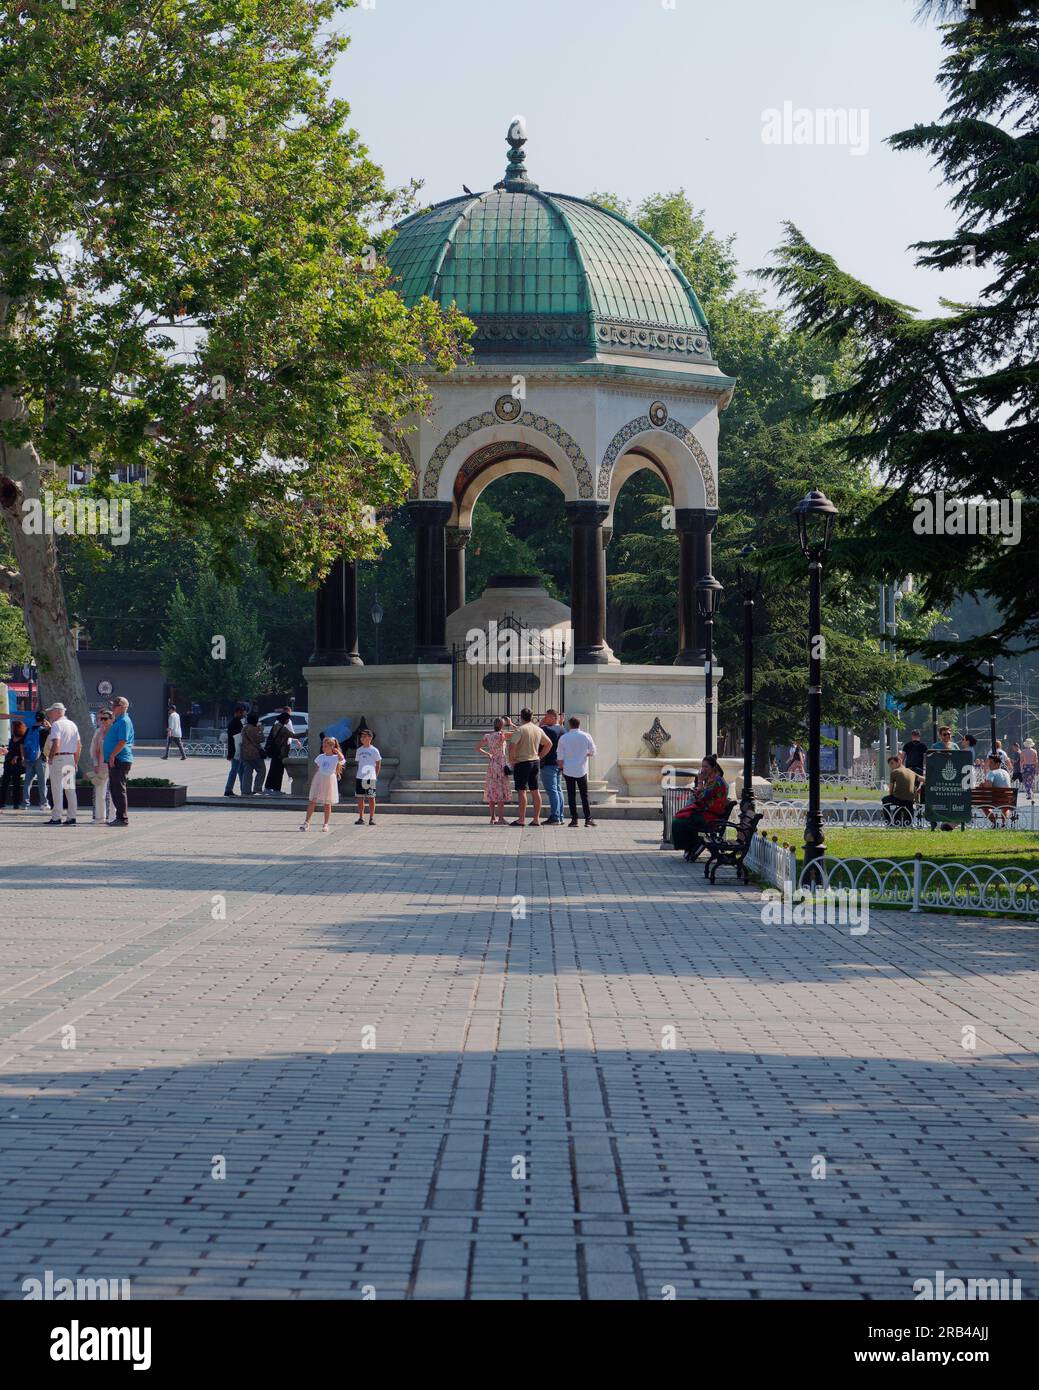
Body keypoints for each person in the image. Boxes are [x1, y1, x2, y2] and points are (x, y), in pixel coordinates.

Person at [670, 755, 728, 858]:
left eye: (706, 767)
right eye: (702, 766)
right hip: (706, 813)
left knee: (678, 822)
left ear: (713, 767)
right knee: (679, 819)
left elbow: (701, 797)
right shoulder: (711, 780)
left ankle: (693, 846)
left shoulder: (716, 781)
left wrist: (700, 781)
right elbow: (701, 796)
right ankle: (692, 846)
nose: (703, 769)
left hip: (710, 816)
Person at [506, 707, 552, 827]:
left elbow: (512, 746)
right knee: (535, 790)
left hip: (522, 762)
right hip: (535, 762)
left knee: (522, 791)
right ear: (532, 716)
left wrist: (511, 760)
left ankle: (521, 819)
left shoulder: (520, 730)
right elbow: (549, 744)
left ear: (521, 716)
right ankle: (536, 819)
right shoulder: (538, 729)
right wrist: (540, 756)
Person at [44, 702, 81, 826]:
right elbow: (78, 746)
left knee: (57, 788)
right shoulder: (72, 724)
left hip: (58, 758)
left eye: (51, 712)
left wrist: (50, 757)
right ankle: (72, 817)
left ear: (57, 711)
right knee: (70, 789)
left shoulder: (57, 724)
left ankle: (56, 817)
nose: (50, 714)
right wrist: (75, 761)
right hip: (69, 758)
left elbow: (57, 743)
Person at [557, 716, 598, 828]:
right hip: (581, 769)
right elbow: (593, 751)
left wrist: (561, 768)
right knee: (584, 795)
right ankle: (588, 819)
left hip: (568, 769)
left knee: (571, 796)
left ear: (569, 725)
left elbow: (559, 757)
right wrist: (585, 754)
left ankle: (574, 820)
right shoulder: (586, 736)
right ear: (579, 724)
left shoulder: (564, 738)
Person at [300, 736, 345, 833]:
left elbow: (342, 759)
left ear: (332, 747)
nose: (323, 748)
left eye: (326, 746)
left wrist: (337, 751)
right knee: (313, 800)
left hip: (329, 779)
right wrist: (313, 781)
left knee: (327, 803)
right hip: (319, 778)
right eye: (323, 746)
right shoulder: (321, 757)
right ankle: (306, 822)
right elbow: (317, 769)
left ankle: (326, 824)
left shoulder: (335, 757)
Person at [103, 695, 134, 827]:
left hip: (120, 759)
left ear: (123, 707)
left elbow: (122, 741)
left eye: (115, 705)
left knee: (118, 789)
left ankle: (122, 818)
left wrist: (112, 755)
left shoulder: (124, 721)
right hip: (116, 759)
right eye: (113, 705)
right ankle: (119, 817)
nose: (113, 707)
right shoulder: (118, 721)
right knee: (114, 789)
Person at [476, 717, 512, 826]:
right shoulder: (502, 735)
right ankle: (501, 818)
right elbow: (519, 732)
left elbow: (477, 748)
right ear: (502, 725)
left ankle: (492, 818)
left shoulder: (488, 736)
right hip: (501, 765)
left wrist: (488, 754)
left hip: (492, 765)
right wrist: (511, 724)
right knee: (500, 791)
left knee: (491, 790)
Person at [538, 708, 566, 825]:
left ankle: (555, 816)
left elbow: (537, 733)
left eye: (546, 716)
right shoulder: (562, 729)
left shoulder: (546, 729)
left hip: (548, 763)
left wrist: (541, 723)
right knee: (558, 790)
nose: (544, 718)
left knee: (552, 790)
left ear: (553, 717)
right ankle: (560, 816)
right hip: (558, 763)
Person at [21, 710, 51, 812]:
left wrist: (23, 757)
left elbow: (22, 744)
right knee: (42, 782)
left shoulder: (29, 730)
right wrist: (49, 726)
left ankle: (25, 804)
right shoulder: (45, 731)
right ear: (44, 719)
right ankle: (44, 803)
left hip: (29, 758)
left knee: (27, 782)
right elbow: (53, 738)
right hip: (41, 758)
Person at [89, 709, 115, 824]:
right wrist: (95, 764)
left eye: (105, 719)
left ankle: (113, 816)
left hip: (113, 764)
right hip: (101, 765)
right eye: (101, 719)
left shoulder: (115, 731)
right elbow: (93, 749)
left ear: (111, 719)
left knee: (113, 792)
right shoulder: (98, 732)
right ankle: (100, 817)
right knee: (99, 791)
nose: (102, 721)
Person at [882, 755, 920, 826]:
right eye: (890, 764)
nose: (891, 766)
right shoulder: (911, 772)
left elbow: (891, 790)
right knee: (909, 804)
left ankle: (888, 822)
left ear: (899, 761)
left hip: (899, 799)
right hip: (910, 801)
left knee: (884, 799)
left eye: (892, 763)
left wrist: (892, 795)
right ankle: (910, 823)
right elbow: (923, 779)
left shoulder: (894, 772)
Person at [354, 728, 381, 825]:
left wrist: (375, 775)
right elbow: (359, 763)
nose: (362, 738)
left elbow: (378, 763)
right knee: (360, 797)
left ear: (370, 738)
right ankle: (361, 817)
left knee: (371, 797)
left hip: (370, 777)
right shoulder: (359, 750)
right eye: (361, 736)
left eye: (364, 736)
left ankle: (371, 818)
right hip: (360, 777)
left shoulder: (374, 750)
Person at [263, 710, 292, 796]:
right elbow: (293, 735)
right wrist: (306, 733)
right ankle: (276, 789)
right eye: (288, 719)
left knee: (272, 770)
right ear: (285, 719)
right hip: (280, 752)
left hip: (274, 751)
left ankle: (267, 788)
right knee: (279, 771)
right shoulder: (283, 729)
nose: (288, 721)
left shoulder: (275, 726)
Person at [0, 718, 27, 811]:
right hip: (8, 762)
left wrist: (17, 756)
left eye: (12, 727)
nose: (10, 728)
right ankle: (2, 802)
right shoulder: (12, 738)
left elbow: (23, 752)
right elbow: (11, 750)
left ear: (17, 728)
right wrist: (5, 751)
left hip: (17, 764)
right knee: (4, 783)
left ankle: (16, 803)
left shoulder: (23, 739)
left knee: (16, 784)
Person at [239, 712, 266, 796]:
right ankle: (257, 788)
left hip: (244, 753)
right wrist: (261, 731)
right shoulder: (254, 729)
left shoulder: (244, 728)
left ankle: (246, 790)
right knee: (261, 770)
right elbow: (261, 739)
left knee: (247, 772)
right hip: (254, 753)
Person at [983, 752, 1012, 826]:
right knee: (1005, 807)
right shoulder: (1006, 773)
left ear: (998, 763)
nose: (989, 764)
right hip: (1007, 800)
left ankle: (995, 823)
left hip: (995, 801)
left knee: (984, 806)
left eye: (991, 763)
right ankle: (1004, 823)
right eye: (989, 763)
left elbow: (988, 787)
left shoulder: (992, 773)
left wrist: (983, 784)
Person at [224, 704, 246, 796]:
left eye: (243, 713)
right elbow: (233, 740)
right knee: (235, 770)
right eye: (241, 713)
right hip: (235, 750)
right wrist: (230, 753)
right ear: (236, 713)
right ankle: (228, 789)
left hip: (236, 749)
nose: (242, 714)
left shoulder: (236, 723)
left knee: (240, 770)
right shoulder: (235, 723)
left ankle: (243, 789)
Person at [1019, 738, 1037, 802]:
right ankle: (1031, 792)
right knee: (1031, 781)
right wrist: (1037, 769)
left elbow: (1021, 761)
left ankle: (1029, 793)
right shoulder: (1034, 751)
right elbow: (1036, 761)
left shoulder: (1023, 751)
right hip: (1032, 767)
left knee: (1025, 781)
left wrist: (1021, 768)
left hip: (1025, 766)